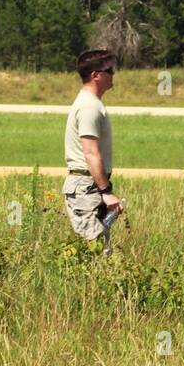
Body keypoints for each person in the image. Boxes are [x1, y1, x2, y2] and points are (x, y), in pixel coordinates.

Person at [63, 49, 123, 245]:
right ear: (95, 75)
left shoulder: (91, 103)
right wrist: (106, 192)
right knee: (95, 247)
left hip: (90, 184)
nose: (113, 74)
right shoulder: (89, 107)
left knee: (97, 245)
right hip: (86, 185)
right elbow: (90, 153)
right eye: (109, 70)